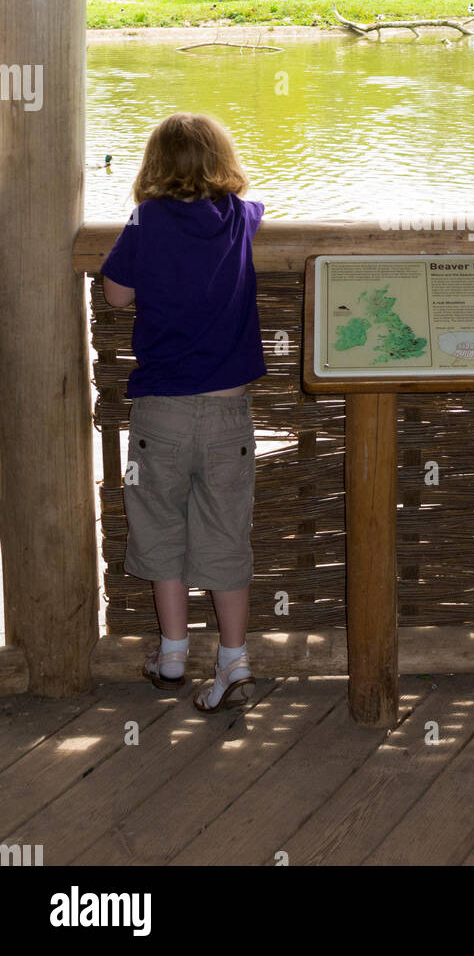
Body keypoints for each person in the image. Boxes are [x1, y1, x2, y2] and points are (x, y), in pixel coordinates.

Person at [101, 113, 266, 712]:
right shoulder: (241, 217)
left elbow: (116, 293)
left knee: (160, 527)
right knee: (226, 535)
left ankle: (172, 652)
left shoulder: (146, 220)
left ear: (154, 166)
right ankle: (234, 661)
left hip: (159, 416)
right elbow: (254, 203)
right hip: (228, 416)